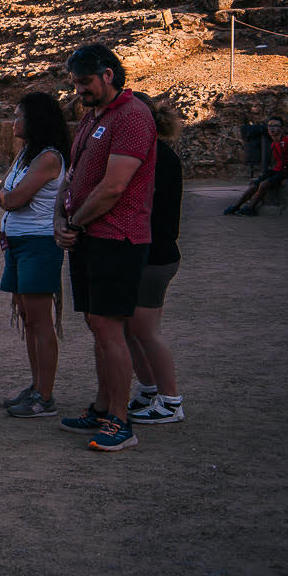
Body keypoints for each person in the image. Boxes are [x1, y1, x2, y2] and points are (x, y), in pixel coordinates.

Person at [54, 43, 156, 453]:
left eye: (85, 82)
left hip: (118, 237)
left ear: (109, 75)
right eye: (76, 83)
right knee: (99, 327)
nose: (79, 90)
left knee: (110, 329)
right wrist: (61, 220)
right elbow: (73, 174)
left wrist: (74, 222)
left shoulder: (132, 117)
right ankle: (102, 407)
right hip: (88, 237)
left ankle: (120, 420)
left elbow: (114, 186)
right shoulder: (94, 117)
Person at [0, 92, 70, 418]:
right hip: (18, 243)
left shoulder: (48, 158)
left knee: (40, 321)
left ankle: (45, 394)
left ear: (34, 120)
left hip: (39, 244)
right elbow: (1, 192)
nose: (14, 122)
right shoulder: (27, 155)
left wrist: (6, 196)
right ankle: (36, 386)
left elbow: (11, 199)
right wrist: (6, 195)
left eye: (18, 116)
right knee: (28, 319)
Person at [126, 94, 187, 424]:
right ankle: (150, 391)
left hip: (154, 254)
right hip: (146, 252)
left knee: (145, 331)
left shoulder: (156, 156)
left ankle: (171, 401)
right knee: (129, 329)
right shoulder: (153, 153)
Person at [224, 118, 288, 215]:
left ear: (282, 129)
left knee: (264, 184)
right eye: (270, 126)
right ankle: (236, 206)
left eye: (276, 126)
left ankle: (251, 207)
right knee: (254, 185)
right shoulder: (273, 144)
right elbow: (276, 161)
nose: (272, 128)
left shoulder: (287, 142)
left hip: (285, 171)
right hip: (277, 169)